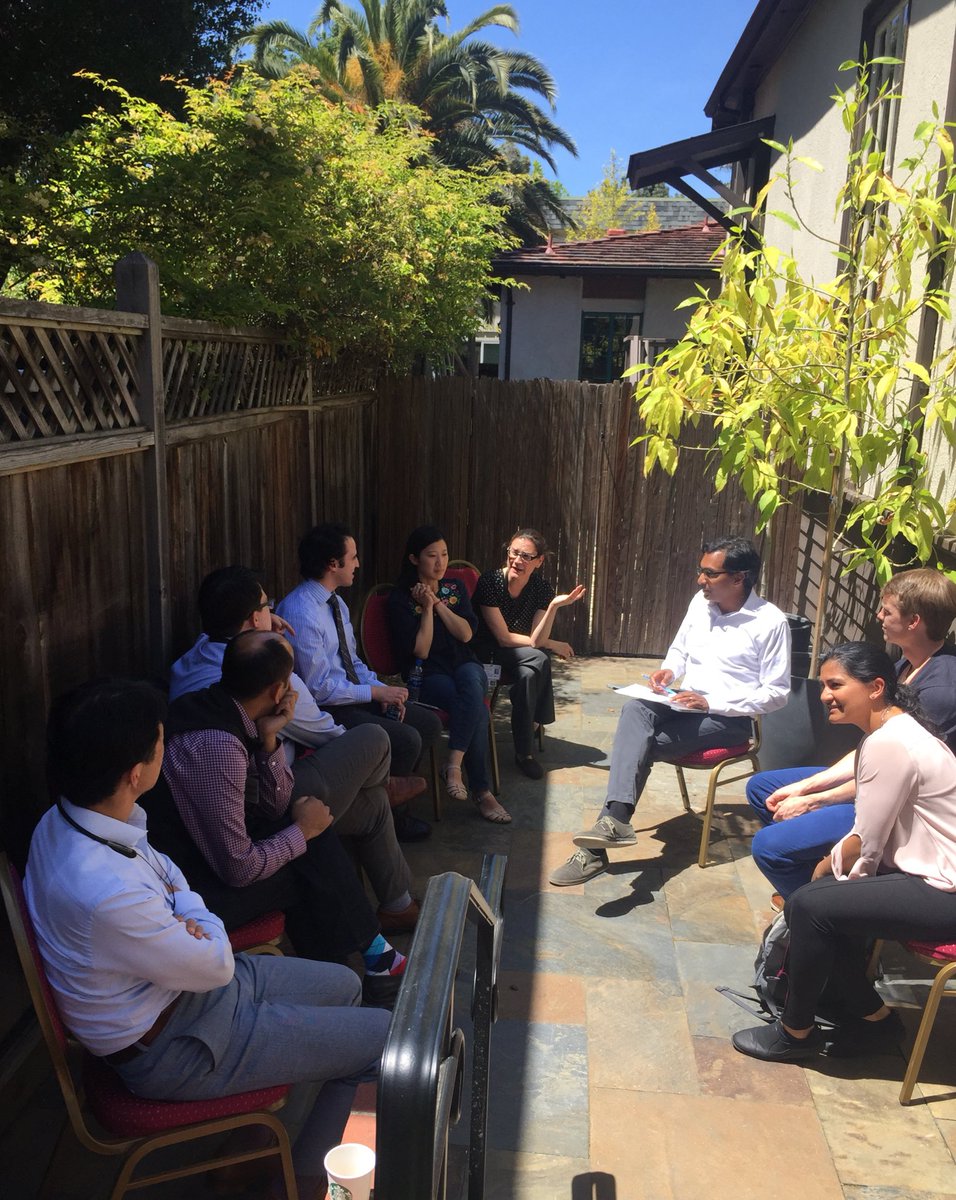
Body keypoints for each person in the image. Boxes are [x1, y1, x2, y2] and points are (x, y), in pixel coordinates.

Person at [25, 677, 390, 1199]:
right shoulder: (103, 889)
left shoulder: (67, 819)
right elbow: (215, 961)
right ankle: (314, 1183)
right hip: (173, 1046)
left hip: (184, 993)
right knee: (387, 1043)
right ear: (135, 774)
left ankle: (246, 1144)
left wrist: (184, 909)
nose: (164, 749)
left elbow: (169, 873)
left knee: (345, 986)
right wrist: (192, 912)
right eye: (159, 745)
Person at [732, 642, 956, 1063]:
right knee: (816, 909)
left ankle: (795, 1034)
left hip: (946, 888)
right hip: (930, 874)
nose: (823, 695)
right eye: (822, 685)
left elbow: (865, 846)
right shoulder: (897, 731)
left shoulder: (890, 743)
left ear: (875, 688)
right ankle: (875, 1019)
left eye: (835, 684)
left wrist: (823, 873)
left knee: (811, 907)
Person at [550, 536, 790, 885]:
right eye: (700, 571)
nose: (700, 580)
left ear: (739, 578)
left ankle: (597, 849)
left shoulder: (770, 623)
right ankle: (614, 823)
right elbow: (680, 649)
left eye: (709, 573)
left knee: (638, 747)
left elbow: (777, 694)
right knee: (635, 711)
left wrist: (713, 703)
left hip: (729, 721)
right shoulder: (700, 603)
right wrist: (669, 670)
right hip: (682, 704)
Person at [162, 631, 419, 950]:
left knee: (367, 807)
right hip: (196, 886)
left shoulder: (231, 710)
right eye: (291, 679)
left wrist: (270, 740)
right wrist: (302, 832)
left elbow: (273, 807)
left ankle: (367, 956)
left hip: (235, 840)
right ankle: (365, 961)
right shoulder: (220, 745)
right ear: (277, 690)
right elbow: (239, 868)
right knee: (310, 854)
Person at [172, 564, 430, 842]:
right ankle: (382, 785)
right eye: (266, 606)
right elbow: (327, 735)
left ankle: (384, 808)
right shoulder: (272, 680)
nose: (274, 611)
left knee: (377, 807)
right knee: (375, 740)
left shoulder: (192, 657)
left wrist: (264, 632)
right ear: (254, 620)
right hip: (271, 792)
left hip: (211, 793)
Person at [746, 568, 956, 901]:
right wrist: (806, 787)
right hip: (875, 779)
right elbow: (869, 751)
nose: (879, 616)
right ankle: (811, 888)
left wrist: (815, 799)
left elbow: (891, 773)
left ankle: (817, 902)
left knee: (770, 845)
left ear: (914, 621)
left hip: (902, 809)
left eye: (887, 611)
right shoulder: (905, 666)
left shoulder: (941, 688)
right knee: (763, 787)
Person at [277, 523, 442, 836]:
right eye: (352, 558)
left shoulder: (335, 602)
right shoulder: (301, 611)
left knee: (428, 724)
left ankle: (389, 796)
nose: (357, 564)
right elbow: (319, 689)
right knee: (407, 739)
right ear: (332, 564)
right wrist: (374, 695)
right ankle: (385, 817)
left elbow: (352, 661)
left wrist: (383, 689)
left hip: (353, 692)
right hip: (330, 708)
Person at [387, 524, 510, 824]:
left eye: (444, 554)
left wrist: (438, 602)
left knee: (471, 680)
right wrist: (426, 608)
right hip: (428, 674)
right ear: (414, 559)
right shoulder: (400, 599)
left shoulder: (454, 588)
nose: (441, 563)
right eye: (432, 556)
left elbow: (466, 634)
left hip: (464, 663)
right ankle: (483, 792)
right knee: (474, 707)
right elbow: (422, 652)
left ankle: (453, 762)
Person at [473, 528, 586, 779]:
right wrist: (552, 644)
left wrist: (555, 606)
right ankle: (536, 723)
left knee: (528, 673)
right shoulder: (490, 583)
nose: (517, 560)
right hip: (486, 652)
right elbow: (503, 638)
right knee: (540, 657)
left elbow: (536, 639)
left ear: (539, 561)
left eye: (526, 556)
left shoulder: (541, 589)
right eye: (513, 553)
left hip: (521, 655)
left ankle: (524, 752)